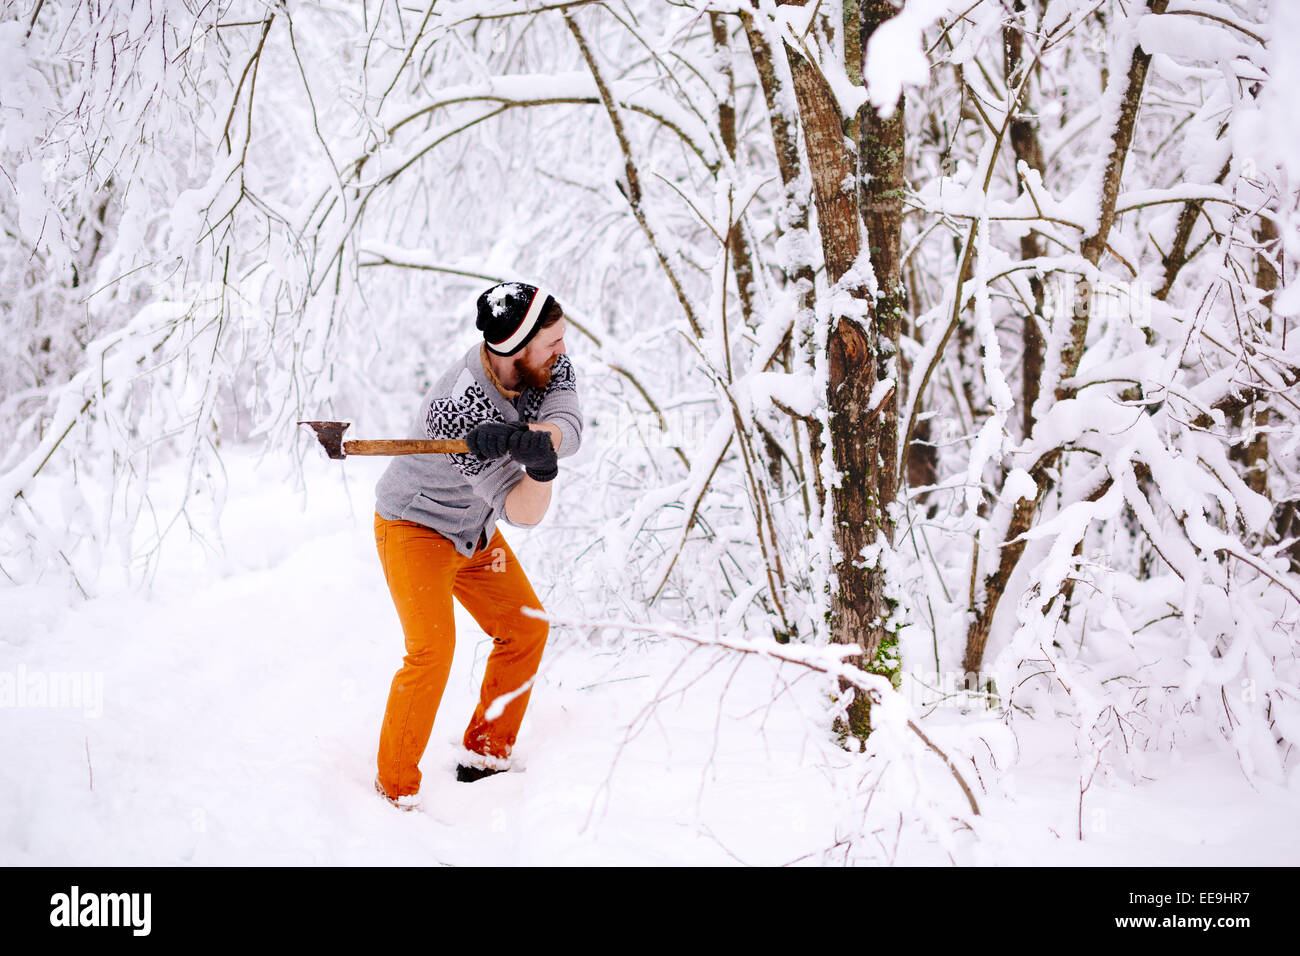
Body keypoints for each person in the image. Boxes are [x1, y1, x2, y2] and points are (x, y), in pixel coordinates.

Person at [370, 281, 581, 810]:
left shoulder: (546, 364)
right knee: (432, 651)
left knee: (525, 626)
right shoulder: (456, 407)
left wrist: (540, 442)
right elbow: (523, 510)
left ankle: (485, 755)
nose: (564, 349)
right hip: (416, 526)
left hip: (473, 530)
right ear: (515, 347)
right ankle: (395, 791)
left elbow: (570, 422)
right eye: (552, 341)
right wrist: (534, 467)